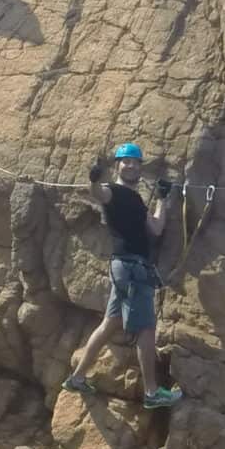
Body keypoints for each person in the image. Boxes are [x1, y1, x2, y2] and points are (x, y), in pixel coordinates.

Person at [62, 142, 185, 407]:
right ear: (117, 165)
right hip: (131, 268)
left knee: (110, 324)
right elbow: (97, 193)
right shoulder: (112, 192)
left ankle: (77, 377)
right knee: (146, 328)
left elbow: (156, 228)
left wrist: (162, 199)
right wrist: (94, 180)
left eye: (135, 162)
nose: (131, 165)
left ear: (140, 167)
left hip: (127, 268)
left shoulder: (137, 200)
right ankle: (152, 393)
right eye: (125, 161)